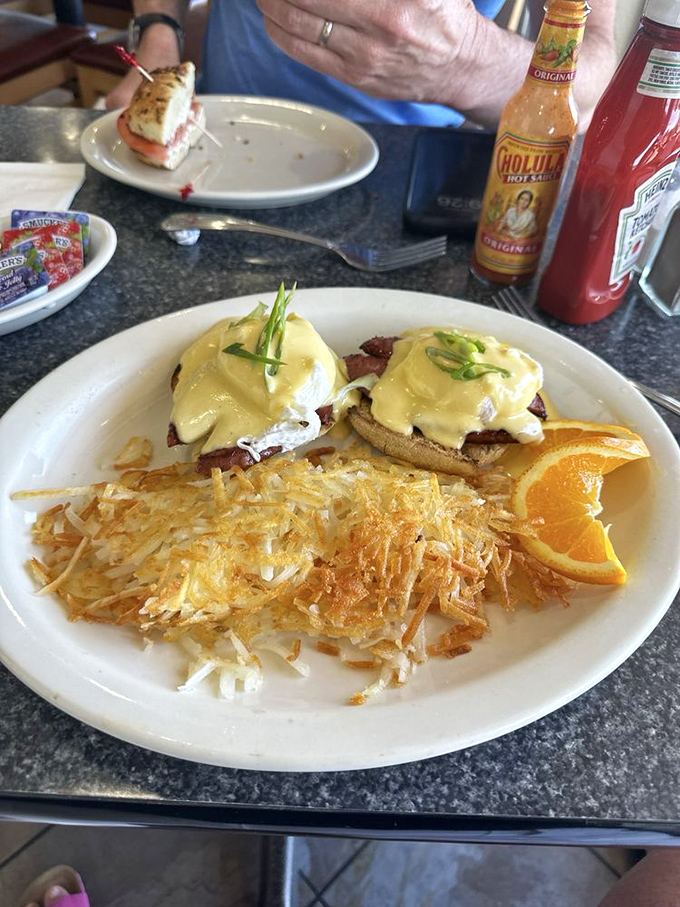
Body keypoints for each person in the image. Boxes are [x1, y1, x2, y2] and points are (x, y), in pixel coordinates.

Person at [106, 0, 616, 129]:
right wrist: (158, 33)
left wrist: (467, 64)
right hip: (221, 136)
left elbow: (592, 71)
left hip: (407, 178)